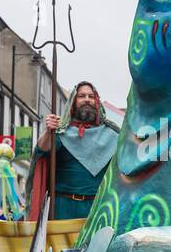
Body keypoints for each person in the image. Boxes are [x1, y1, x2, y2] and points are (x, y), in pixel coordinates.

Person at [31, 82, 120, 221]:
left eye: (91, 96)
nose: (87, 99)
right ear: (73, 101)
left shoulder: (113, 135)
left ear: (97, 102)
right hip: (63, 208)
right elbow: (43, 150)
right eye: (81, 96)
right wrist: (49, 131)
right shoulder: (61, 132)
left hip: (98, 209)